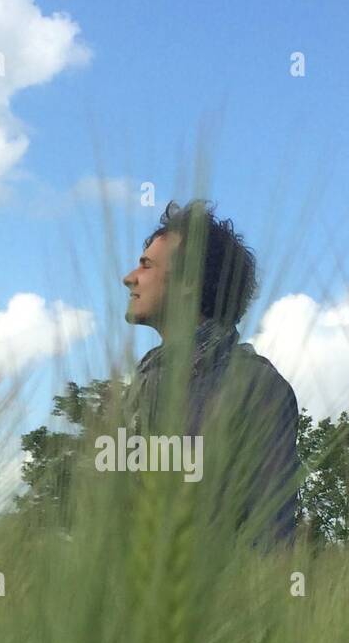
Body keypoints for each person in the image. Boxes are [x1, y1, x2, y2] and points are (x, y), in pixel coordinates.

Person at [122, 200, 300, 548]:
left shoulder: (256, 386)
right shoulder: (143, 382)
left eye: (146, 265)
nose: (129, 277)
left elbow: (272, 537)